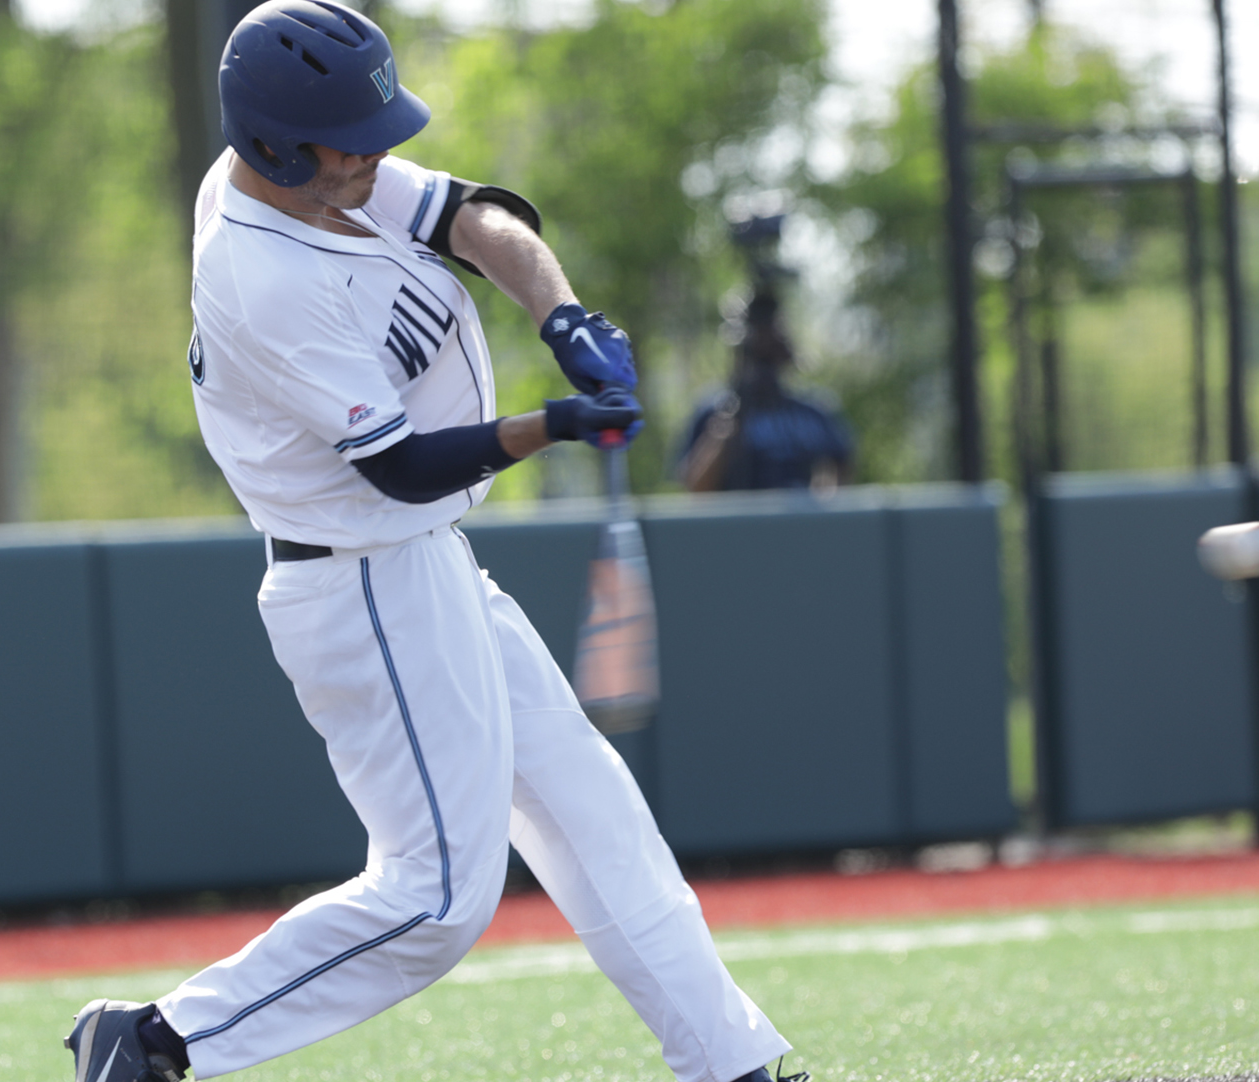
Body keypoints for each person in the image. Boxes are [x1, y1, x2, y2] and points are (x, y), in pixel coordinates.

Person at [65, 5, 798, 1082]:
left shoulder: (319, 173)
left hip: (419, 564)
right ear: (274, 144)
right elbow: (401, 464)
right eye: (349, 138)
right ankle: (160, 1039)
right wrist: (552, 424)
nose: (379, 152)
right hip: (362, 583)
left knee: (597, 818)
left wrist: (563, 314)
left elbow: (474, 216)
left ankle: (730, 1064)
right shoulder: (262, 273)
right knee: (439, 896)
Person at [677, 269, 853, 494]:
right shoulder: (714, 411)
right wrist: (729, 425)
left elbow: (842, 473)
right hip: (736, 525)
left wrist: (817, 506)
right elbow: (695, 489)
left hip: (798, 525)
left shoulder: (813, 411)